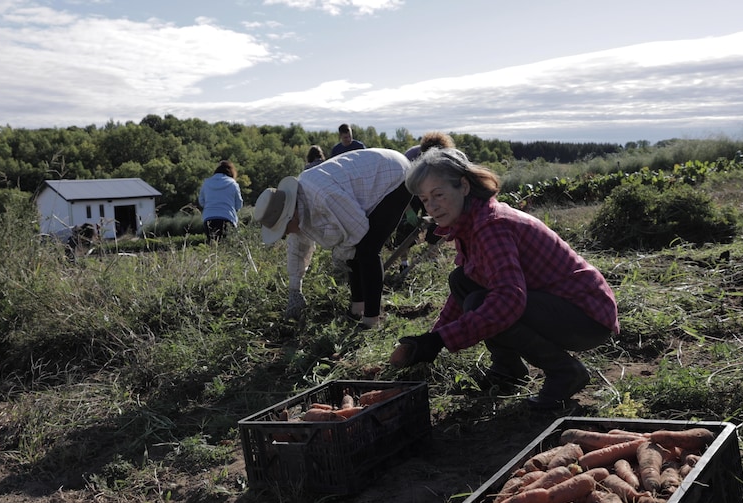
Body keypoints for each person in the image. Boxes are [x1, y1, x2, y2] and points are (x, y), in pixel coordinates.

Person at [389, 147, 619, 410]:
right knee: (462, 281)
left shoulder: (491, 226)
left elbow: (509, 300)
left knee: (483, 302)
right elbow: (465, 287)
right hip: (555, 306)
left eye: (439, 195)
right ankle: (508, 369)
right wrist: (431, 339)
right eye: (425, 200)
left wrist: (441, 340)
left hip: (586, 317)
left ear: (463, 186)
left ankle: (565, 373)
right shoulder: (469, 223)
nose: (432, 206)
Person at [253, 148, 412, 329]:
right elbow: (297, 249)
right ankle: (357, 308)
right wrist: (294, 289)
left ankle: (371, 320)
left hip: (393, 176)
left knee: (367, 249)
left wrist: (339, 254)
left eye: (283, 229)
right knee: (351, 251)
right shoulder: (297, 208)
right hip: (370, 181)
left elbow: (358, 228)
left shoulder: (322, 196)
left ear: (290, 215)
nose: (286, 234)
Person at [199, 160, 244, 242]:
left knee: (213, 246)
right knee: (227, 247)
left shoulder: (206, 183)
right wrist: (234, 209)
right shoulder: (233, 184)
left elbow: (201, 201)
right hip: (228, 218)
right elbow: (239, 204)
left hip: (209, 218)